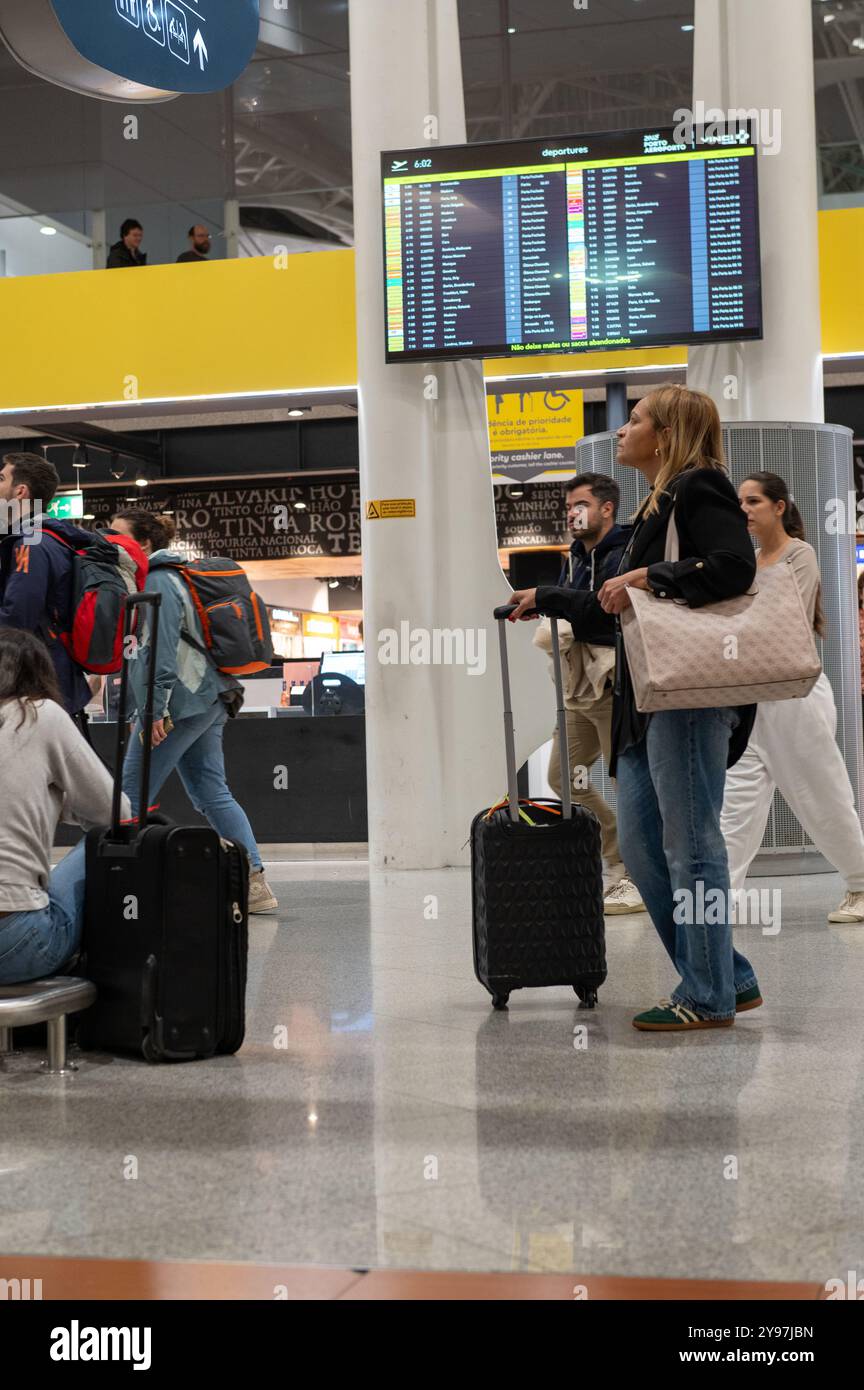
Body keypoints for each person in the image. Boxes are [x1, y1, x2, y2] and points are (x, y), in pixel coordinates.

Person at [510, 385, 761, 1032]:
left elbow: (734, 569)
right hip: (646, 700)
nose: (621, 431)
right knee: (647, 850)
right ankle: (727, 973)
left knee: (692, 847)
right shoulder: (658, 503)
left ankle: (707, 995)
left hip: (687, 698)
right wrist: (547, 595)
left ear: (668, 433)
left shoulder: (701, 486)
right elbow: (612, 607)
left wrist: (648, 577)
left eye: (637, 420)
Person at [108, 509, 278, 915]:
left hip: (182, 704)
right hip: (208, 698)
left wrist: (153, 711)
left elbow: (159, 653)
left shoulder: (161, 581)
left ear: (143, 544)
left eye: (116, 535)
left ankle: (116, 885)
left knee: (130, 793)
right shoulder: (174, 578)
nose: (108, 541)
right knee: (211, 792)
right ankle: (254, 883)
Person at [721, 471, 864, 924]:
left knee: (822, 797)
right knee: (736, 801)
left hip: (794, 695)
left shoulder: (799, 555)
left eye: (753, 501)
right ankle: (720, 898)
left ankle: (861, 884)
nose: (744, 509)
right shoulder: (744, 560)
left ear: (779, 507)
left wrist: (735, 625)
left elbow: (787, 621)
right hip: (748, 697)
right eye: (739, 502)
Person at [532, 472, 645, 915]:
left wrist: (555, 602)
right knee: (563, 777)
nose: (571, 513)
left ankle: (633, 875)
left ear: (606, 508)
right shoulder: (576, 556)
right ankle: (617, 855)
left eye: (579, 504)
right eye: (568, 507)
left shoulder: (626, 551)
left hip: (615, 681)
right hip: (579, 685)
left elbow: (608, 614)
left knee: (627, 781)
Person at [0, 628, 128, 983]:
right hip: (15, 942)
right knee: (104, 841)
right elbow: (116, 812)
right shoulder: (39, 714)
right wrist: (61, 804)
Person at [0, 452, 91, 718]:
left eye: (1, 478)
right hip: (51, 676)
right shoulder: (48, 538)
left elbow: (17, 619)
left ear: (20, 491)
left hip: (38, 681)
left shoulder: (32, 542)